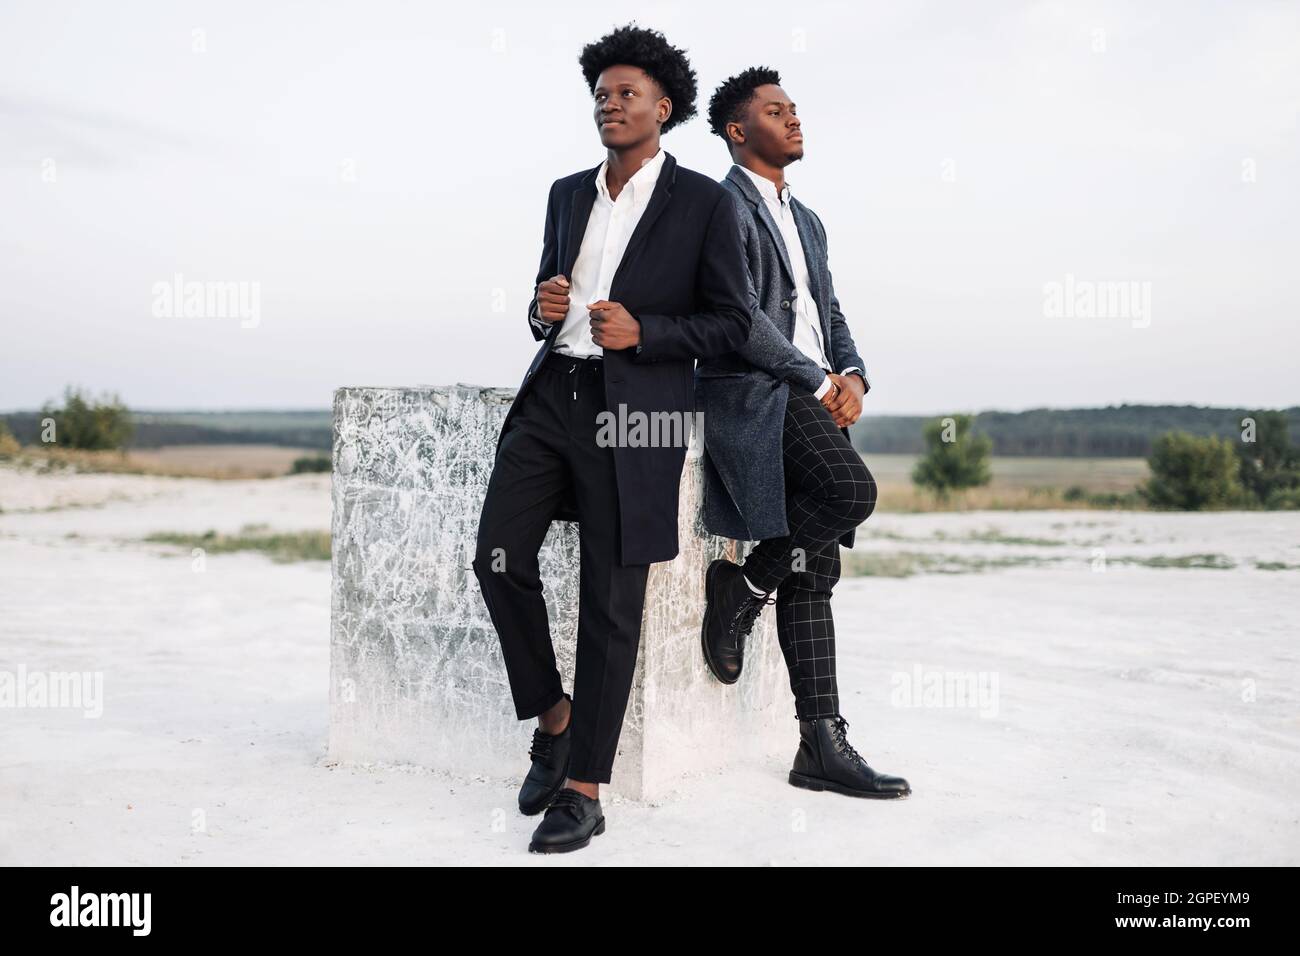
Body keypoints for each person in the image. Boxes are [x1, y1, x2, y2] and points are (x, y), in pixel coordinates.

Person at [472, 25, 751, 853]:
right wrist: (540, 310)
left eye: (627, 93)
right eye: (601, 94)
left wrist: (647, 331)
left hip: (637, 415)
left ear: (664, 109)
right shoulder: (566, 193)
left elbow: (732, 324)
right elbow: (543, 301)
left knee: (611, 602)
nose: (611, 103)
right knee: (497, 557)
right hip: (550, 398)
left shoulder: (705, 202)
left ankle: (584, 787)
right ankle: (553, 716)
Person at [697, 66, 911, 799]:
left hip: (815, 393)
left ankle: (820, 745)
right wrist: (818, 381)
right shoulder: (717, 209)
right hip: (759, 392)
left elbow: (830, 312)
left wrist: (851, 375)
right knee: (851, 491)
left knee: (815, 569)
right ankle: (743, 583)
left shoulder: (808, 218)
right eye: (776, 110)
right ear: (737, 129)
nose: (794, 119)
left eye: (794, 109)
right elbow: (741, 319)